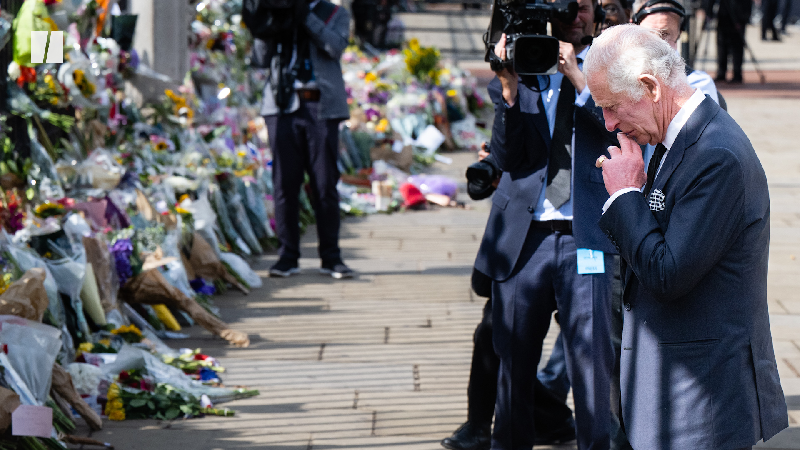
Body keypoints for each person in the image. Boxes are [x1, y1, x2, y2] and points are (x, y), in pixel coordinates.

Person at [585, 24, 789, 449]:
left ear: (650, 87)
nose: (608, 123)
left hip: (702, 403)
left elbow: (669, 274)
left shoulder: (716, 154)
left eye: (612, 105)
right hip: (672, 389)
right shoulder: (677, 139)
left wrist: (626, 195)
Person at [479, 0, 621, 447]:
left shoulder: (609, 72)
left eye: (581, 8)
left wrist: (580, 77)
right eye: (563, 9)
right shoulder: (525, 66)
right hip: (527, 238)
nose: (572, 17)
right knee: (513, 364)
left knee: (595, 366)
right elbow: (508, 158)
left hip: (589, 237)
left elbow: (619, 136)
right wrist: (508, 86)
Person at [441, 140, 576, 450]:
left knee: (591, 337)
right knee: (496, 329)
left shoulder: (594, 93)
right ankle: (482, 424)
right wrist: (497, 158)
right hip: (522, 226)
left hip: (584, 228)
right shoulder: (522, 91)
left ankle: (558, 415)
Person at [251, 0, 355, 279]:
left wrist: (305, 17)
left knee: (324, 184)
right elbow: (260, 58)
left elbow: (335, 46)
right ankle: (287, 257)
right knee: (284, 185)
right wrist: (264, 22)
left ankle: (331, 257)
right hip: (282, 108)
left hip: (320, 107)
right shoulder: (278, 11)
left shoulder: (334, 13)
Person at [707, 0, 753, 82]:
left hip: (738, 19)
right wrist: (709, 12)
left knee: (737, 48)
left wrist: (743, 18)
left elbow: (747, 3)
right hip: (723, 17)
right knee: (721, 46)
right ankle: (721, 72)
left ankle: (737, 73)